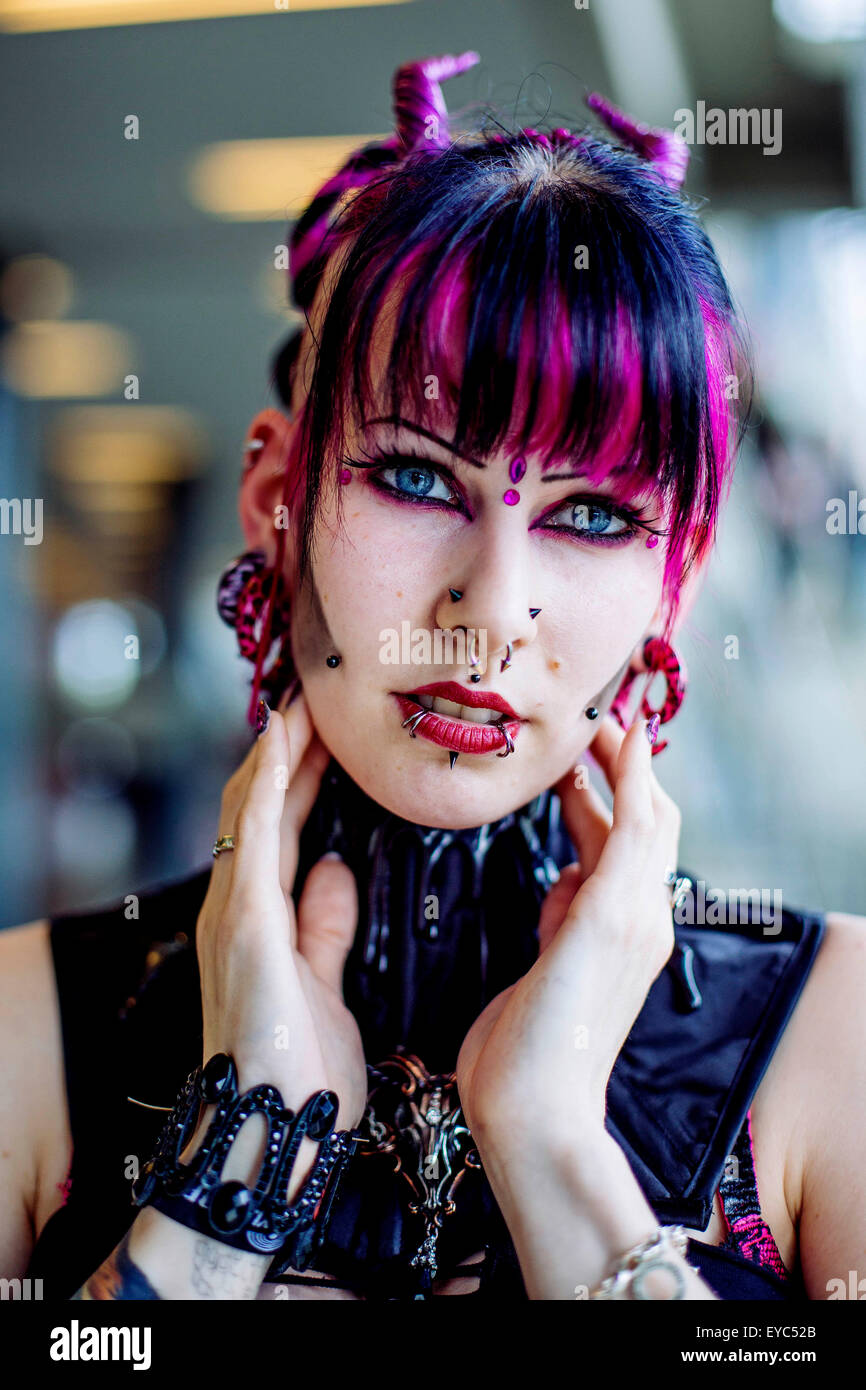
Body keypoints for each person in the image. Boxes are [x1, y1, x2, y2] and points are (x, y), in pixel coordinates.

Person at [3, 51, 864, 1303]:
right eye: (413, 479)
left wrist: (558, 1151)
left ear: (671, 580)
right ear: (272, 500)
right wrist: (229, 1186)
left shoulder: (833, 1025)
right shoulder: (30, 1019)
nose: (491, 614)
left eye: (594, 516)